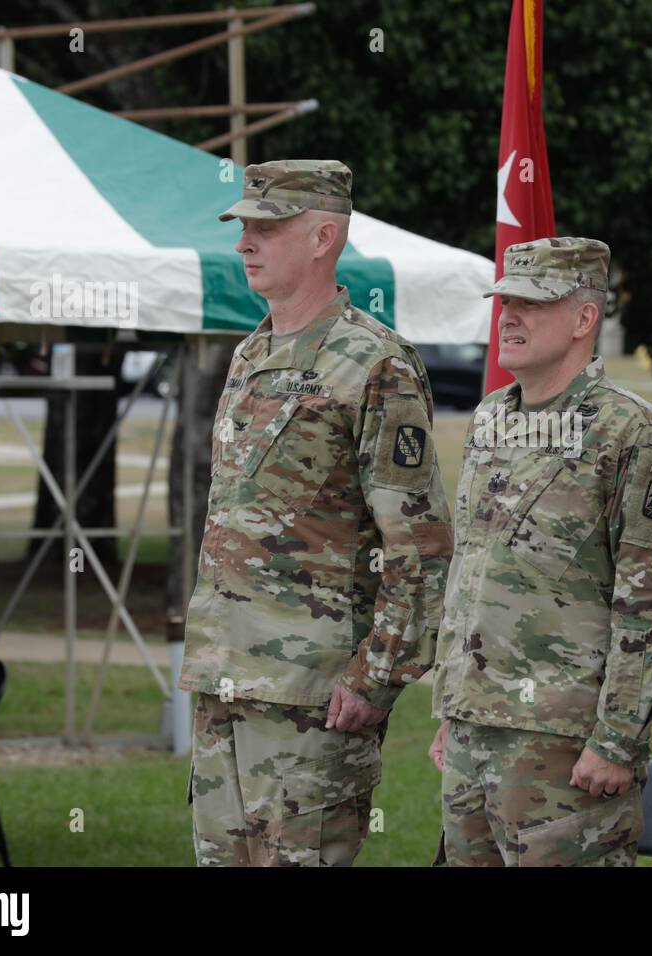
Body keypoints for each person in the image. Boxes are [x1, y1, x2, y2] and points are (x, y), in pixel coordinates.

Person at [179, 159, 453, 866]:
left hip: (313, 693)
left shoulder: (374, 362)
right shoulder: (248, 355)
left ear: (323, 236)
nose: (245, 244)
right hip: (226, 679)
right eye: (244, 229)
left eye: (266, 228)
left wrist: (380, 674)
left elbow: (419, 543)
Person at [427, 237, 652, 866]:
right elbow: (474, 575)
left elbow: (648, 605)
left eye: (531, 303)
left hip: (565, 747)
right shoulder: (492, 417)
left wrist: (618, 738)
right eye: (505, 301)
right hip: (474, 733)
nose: (509, 316)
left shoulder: (629, 434)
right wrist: (456, 706)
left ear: (583, 319)